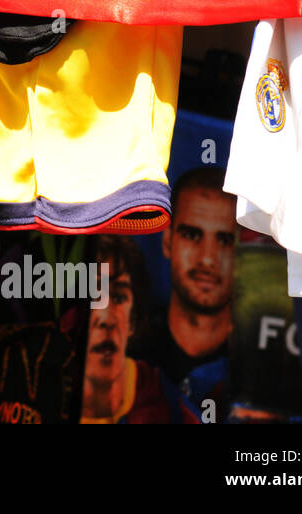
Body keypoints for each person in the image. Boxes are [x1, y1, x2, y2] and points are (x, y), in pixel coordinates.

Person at [132, 167, 237, 410]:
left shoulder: (261, 369)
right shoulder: (126, 355)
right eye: (192, 235)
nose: (207, 259)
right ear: (167, 241)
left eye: (224, 240)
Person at [81, 237, 198, 424]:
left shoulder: (170, 407)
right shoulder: (33, 394)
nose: (106, 318)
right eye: (92, 296)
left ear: (133, 319)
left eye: (119, 297)